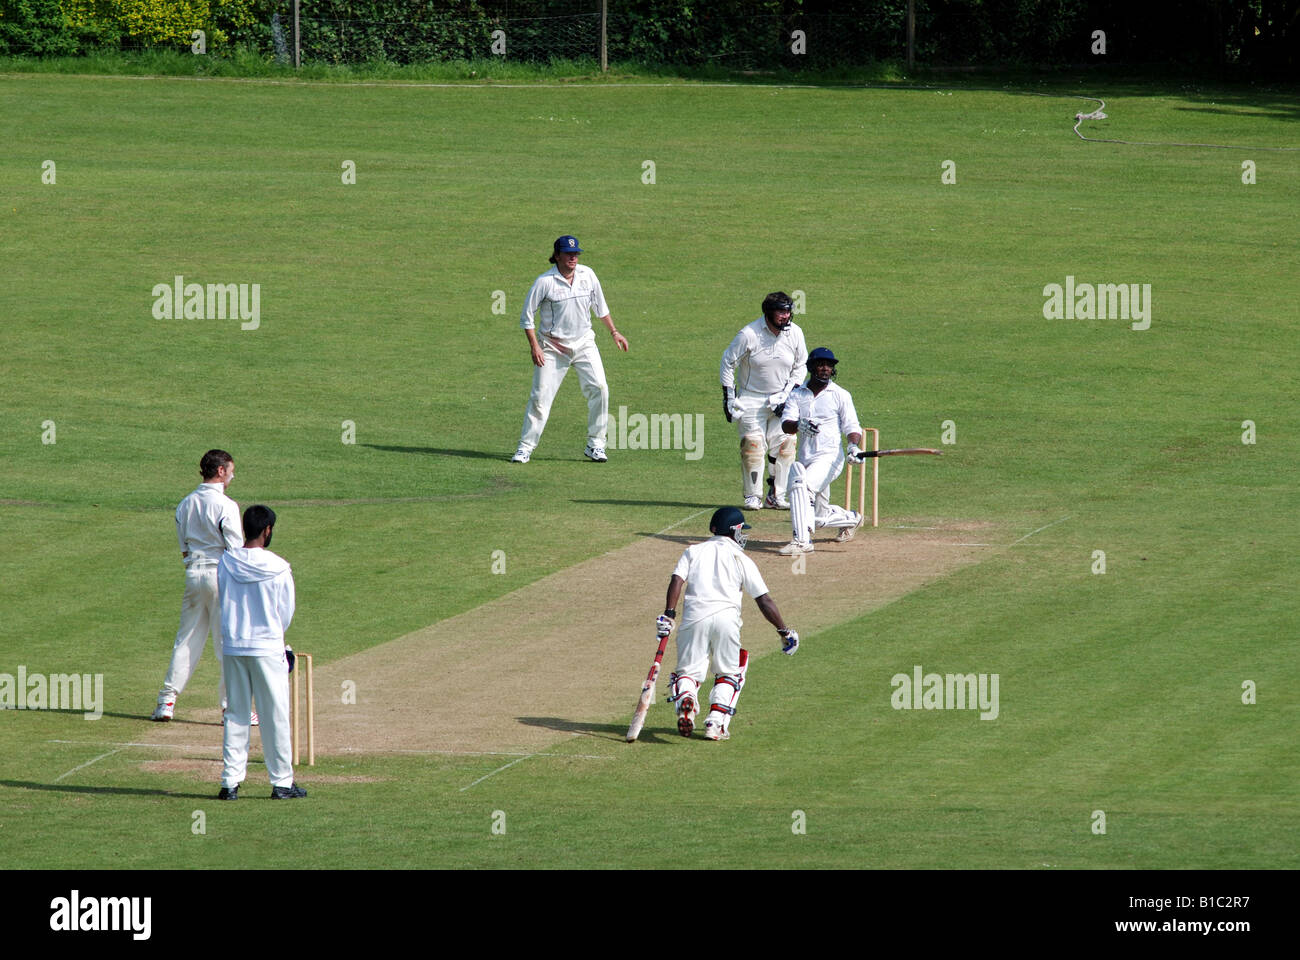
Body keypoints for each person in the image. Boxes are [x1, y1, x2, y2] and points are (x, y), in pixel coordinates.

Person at [656, 506, 799, 741]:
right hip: (727, 621)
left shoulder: (693, 551)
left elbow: (677, 580)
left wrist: (669, 614)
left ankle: (686, 700)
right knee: (729, 672)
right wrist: (783, 630)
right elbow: (764, 600)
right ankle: (715, 722)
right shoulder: (741, 558)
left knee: (688, 672)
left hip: (694, 618)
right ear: (735, 531)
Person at [152, 449, 250, 723]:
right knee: (226, 644)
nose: (233, 475)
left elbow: (184, 551)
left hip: (194, 575)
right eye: (230, 470)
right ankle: (231, 708)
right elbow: (235, 551)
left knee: (186, 640)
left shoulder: (185, 504)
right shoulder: (226, 505)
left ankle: (166, 702)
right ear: (220, 471)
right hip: (221, 577)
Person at [512, 235, 628, 464]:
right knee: (540, 398)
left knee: (601, 389)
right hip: (553, 348)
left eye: (575, 253)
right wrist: (534, 346)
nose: (573, 257)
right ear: (557, 256)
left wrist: (614, 331)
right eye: (568, 253)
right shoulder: (544, 282)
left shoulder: (588, 275)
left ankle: (595, 445)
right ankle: (525, 448)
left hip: (584, 343)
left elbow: (601, 308)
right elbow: (527, 318)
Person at [216, 505, 304, 800]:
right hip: (266, 647)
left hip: (234, 647)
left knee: (236, 714)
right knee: (274, 714)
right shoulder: (279, 567)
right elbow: (285, 614)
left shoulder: (226, 562)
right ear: (267, 531)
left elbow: (224, 601)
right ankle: (281, 783)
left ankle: (230, 783)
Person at [719, 292, 808, 510]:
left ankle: (777, 496)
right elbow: (727, 362)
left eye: (788, 311)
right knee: (753, 445)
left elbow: (801, 366)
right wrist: (729, 397)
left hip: (783, 397)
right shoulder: (749, 334)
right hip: (751, 398)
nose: (786, 316)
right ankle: (753, 496)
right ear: (768, 312)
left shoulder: (795, 333)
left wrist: (787, 394)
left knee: (786, 445)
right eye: (781, 311)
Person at [777, 347, 868, 555]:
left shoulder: (840, 395)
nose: (825, 368)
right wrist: (799, 424)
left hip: (830, 458)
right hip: (806, 458)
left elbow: (852, 426)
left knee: (803, 486)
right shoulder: (797, 395)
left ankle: (801, 541)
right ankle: (852, 518)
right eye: (821, 364)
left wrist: (853, 446)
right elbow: (785, 424)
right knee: (817, 517)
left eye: (829, 365)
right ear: (811, 367)